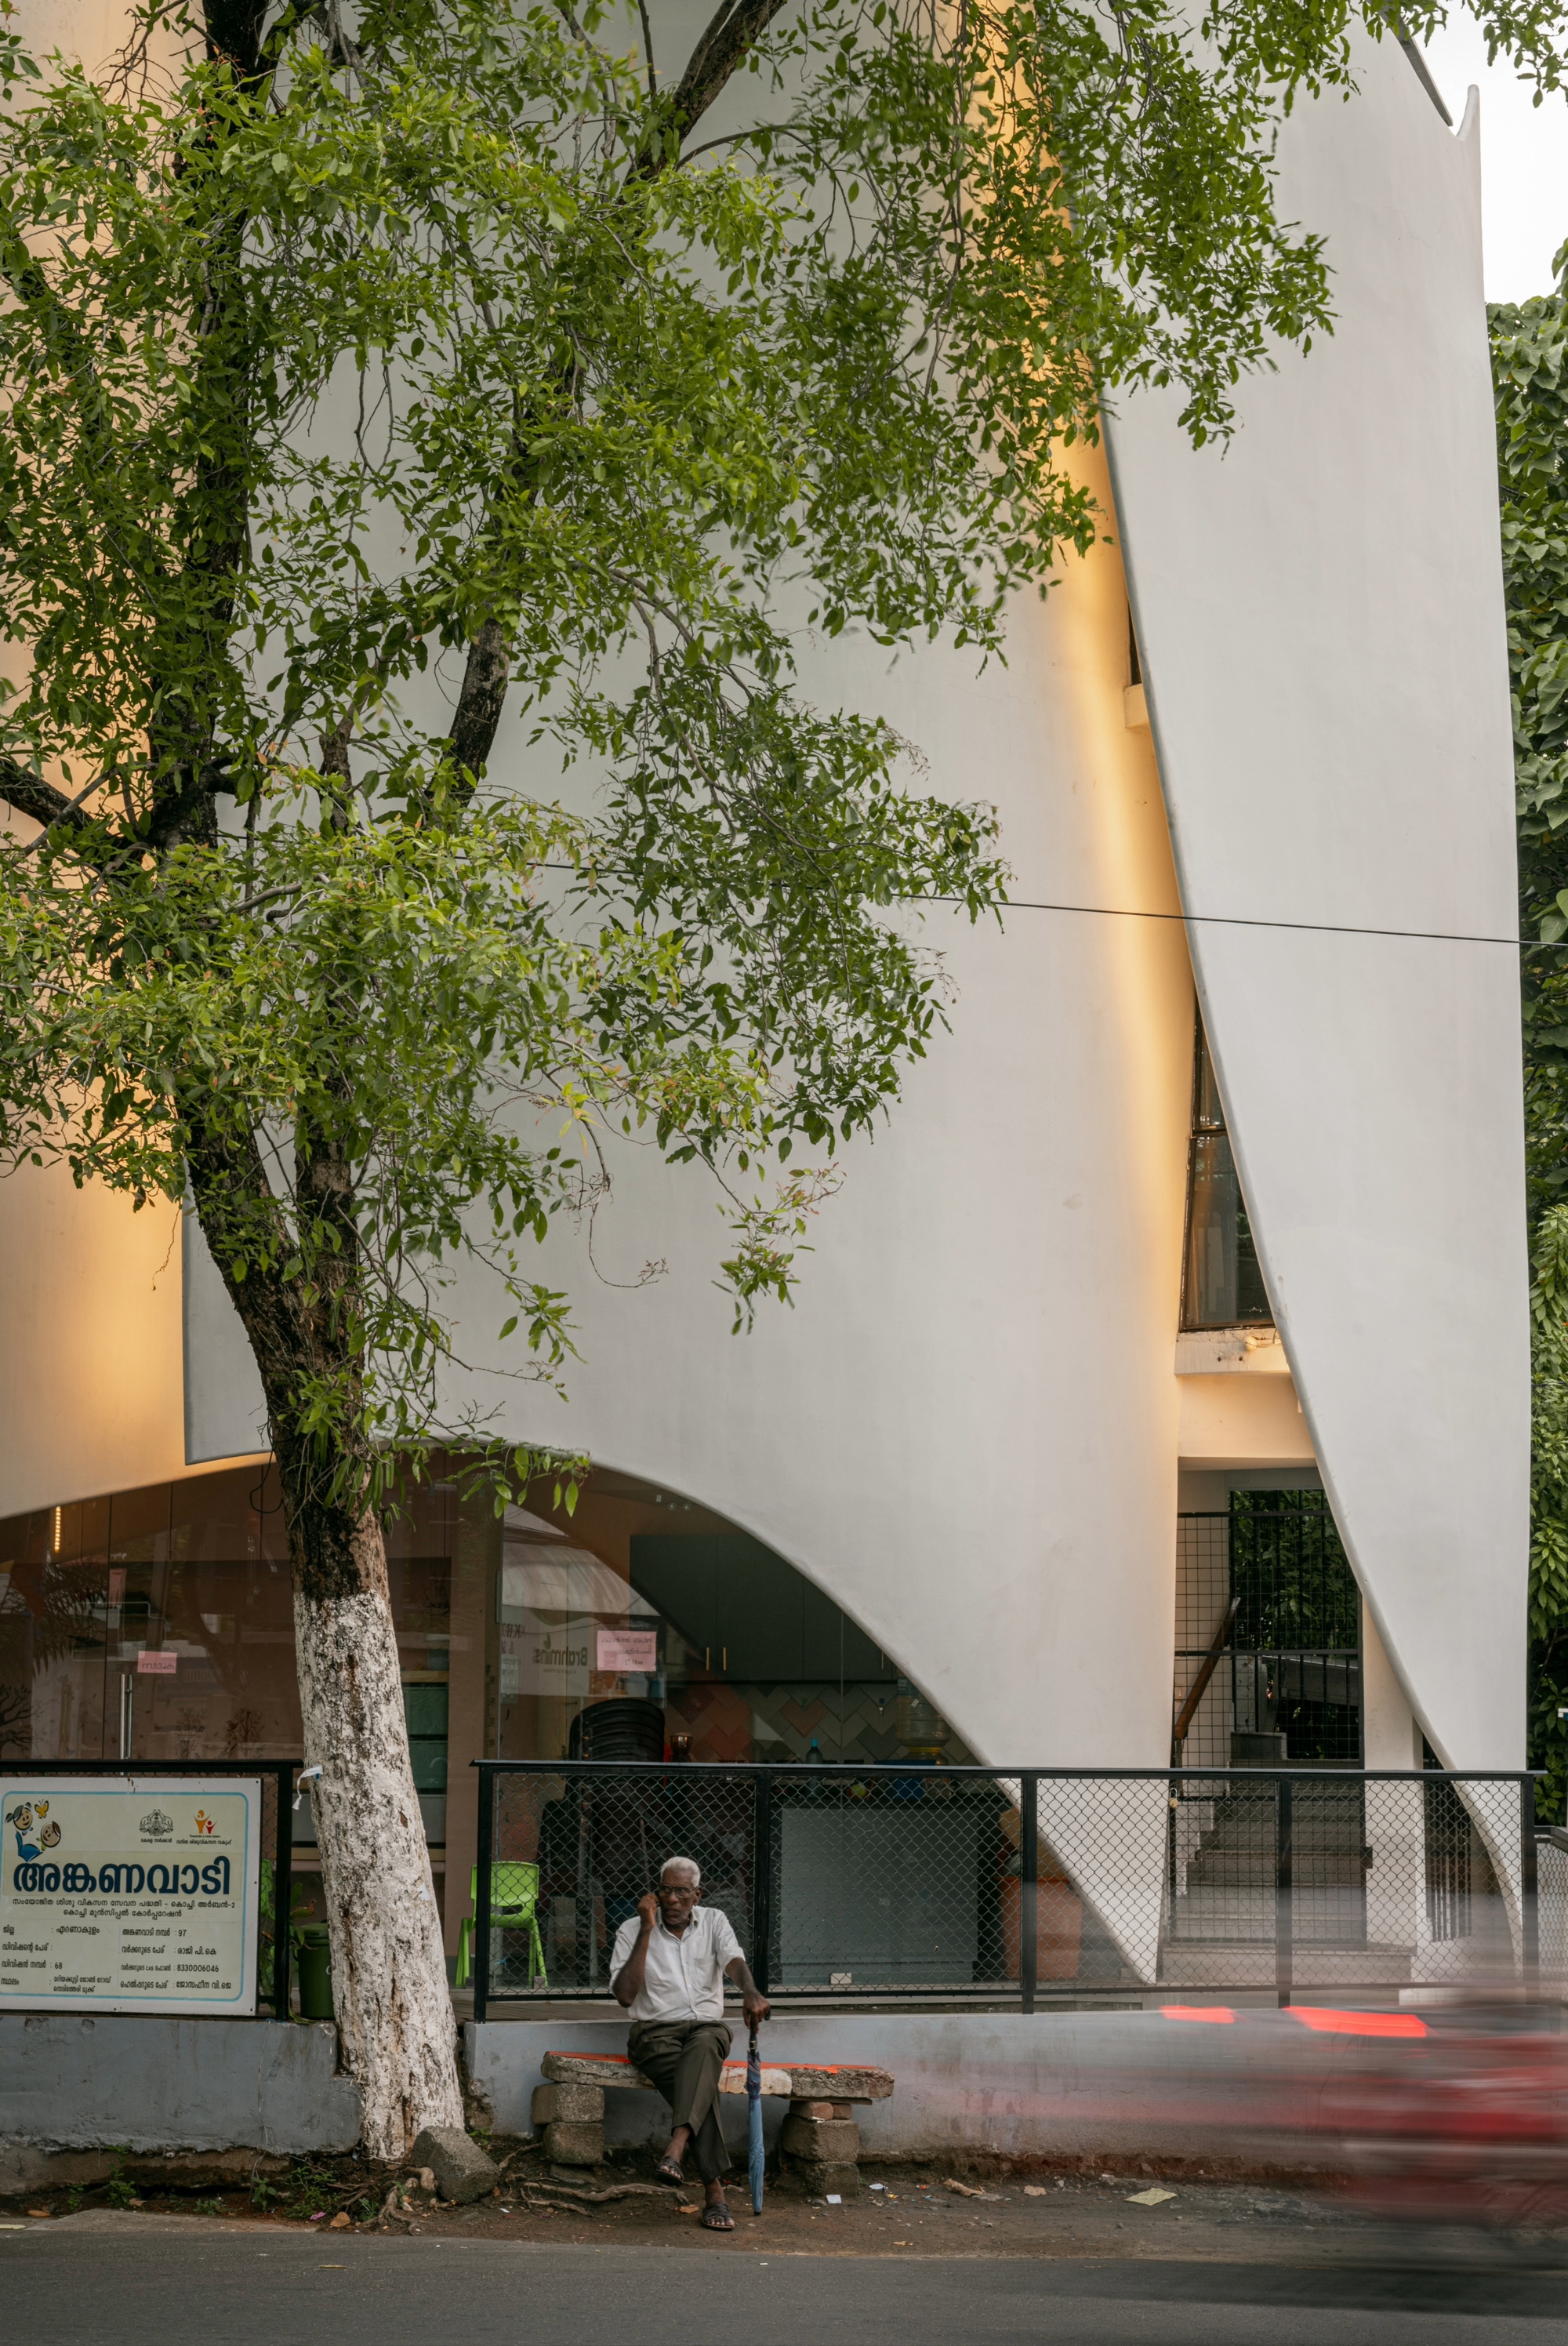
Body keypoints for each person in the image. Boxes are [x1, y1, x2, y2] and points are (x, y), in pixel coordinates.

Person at [610, 1854, 770, 2231]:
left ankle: (676, 2150)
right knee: (701, 2088)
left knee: (703, 2048)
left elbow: (733, 1962)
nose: (672, 1899)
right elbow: (625, 1997)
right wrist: (647, 1931)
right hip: (654, 2035)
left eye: (682, 1892)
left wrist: (749, 1991)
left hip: (705, 2030)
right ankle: (714, 2194)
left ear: (697, 1894)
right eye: (665, 1889)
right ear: (656, 1892)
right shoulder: (632, 1929)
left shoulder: (715, 1921)